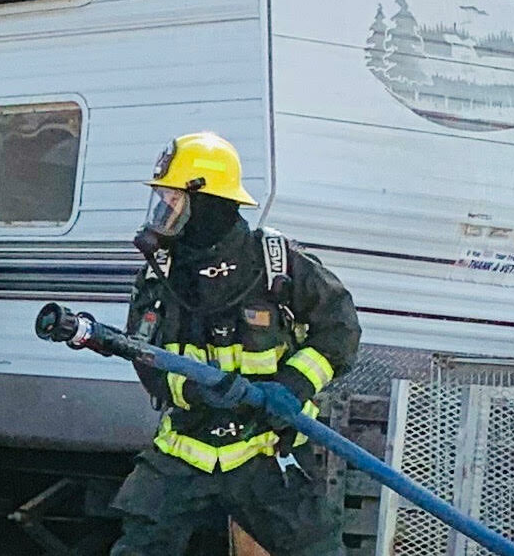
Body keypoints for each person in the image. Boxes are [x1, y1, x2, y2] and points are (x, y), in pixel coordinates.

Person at [111, 132, 361, 556]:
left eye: (173, 203)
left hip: (267, 448)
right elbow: (145, 357)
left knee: (315, 548)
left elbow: (339, 329)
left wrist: (292, 387)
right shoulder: (160, 273)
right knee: (142, 544)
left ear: (207, 203)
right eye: (162, 203)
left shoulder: (275, 261)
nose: (163, 215)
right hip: (185, 448)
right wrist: (191, 388)